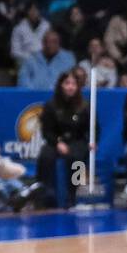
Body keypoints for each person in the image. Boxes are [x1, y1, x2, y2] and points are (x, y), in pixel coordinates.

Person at [37, 69, 92, 207]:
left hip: (77, 140)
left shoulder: (85, 106)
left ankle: (73, 194)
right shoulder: (51, 105)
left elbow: (93, 128)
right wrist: (57, 142)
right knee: (45, 156)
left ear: (78, 86)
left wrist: (92, 141)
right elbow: (46, 131)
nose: (70, 87)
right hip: (56, 141)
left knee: (77, 157)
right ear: (60, 85)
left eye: (73, 84)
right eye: (67, 83)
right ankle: (45, 193)